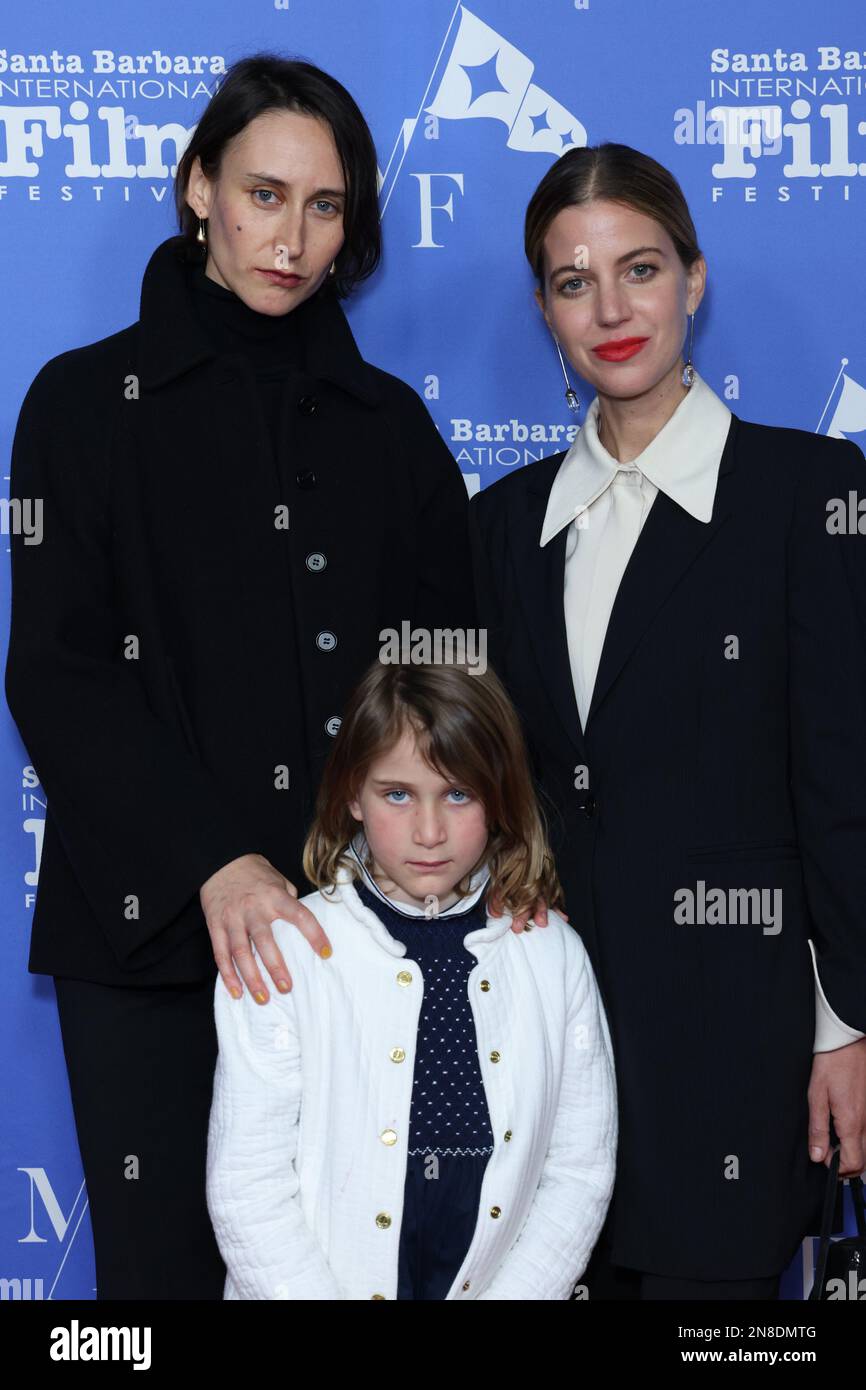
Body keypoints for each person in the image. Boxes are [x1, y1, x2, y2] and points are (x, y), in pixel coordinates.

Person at [4, 53, 475, 1300]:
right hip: (149, 940)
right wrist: (214, 859)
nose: (291, 237)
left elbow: (446, 679)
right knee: (156, 1295)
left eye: (324, 208)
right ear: (197, 187)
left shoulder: (391, 429)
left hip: (357, 946)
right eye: (265, 194)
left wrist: (389, 871)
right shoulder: (78, 404)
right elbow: (55, 673)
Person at [468, 142, 866, 1300]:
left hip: (740, 1052)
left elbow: (844, 782)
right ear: (542, 306)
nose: (610, 309)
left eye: (637, 268)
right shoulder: (500, 529)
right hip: (549, 1055)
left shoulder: (809, 496)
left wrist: (844, 1025)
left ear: (693, 278)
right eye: (571, 280)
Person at [206, 660, 617, 1299]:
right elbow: (247, 1188)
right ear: (351, 795)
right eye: (397, 794)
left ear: (501, 796)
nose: (430, 832)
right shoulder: (284, 949)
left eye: (459, 794)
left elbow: (579, 1171)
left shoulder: (554, 955)